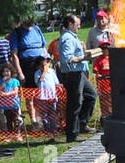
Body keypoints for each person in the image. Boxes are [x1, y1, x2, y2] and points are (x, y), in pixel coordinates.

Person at [57, 14, 97, 142]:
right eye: (77, 24)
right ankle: (72, 134)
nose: (79, 26)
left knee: (91, 95)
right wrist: (84, 58)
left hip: (79, 74)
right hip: (72, 75)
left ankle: (81, 124)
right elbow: (66, 59)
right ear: (70, 24)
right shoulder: (68, 38)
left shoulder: (71, 37)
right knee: (75, 104)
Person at [35, 56, 60, 135]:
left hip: (52, 96)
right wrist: (44, 72)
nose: (44, 67)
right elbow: (39, 81)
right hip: (43, 97)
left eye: (45, 65)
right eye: (41, 66)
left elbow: (56, 83)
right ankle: (47, 129)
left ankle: (54, 128)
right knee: (44, 114)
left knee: (53, 112)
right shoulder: (37, 73)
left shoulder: (52, 71)